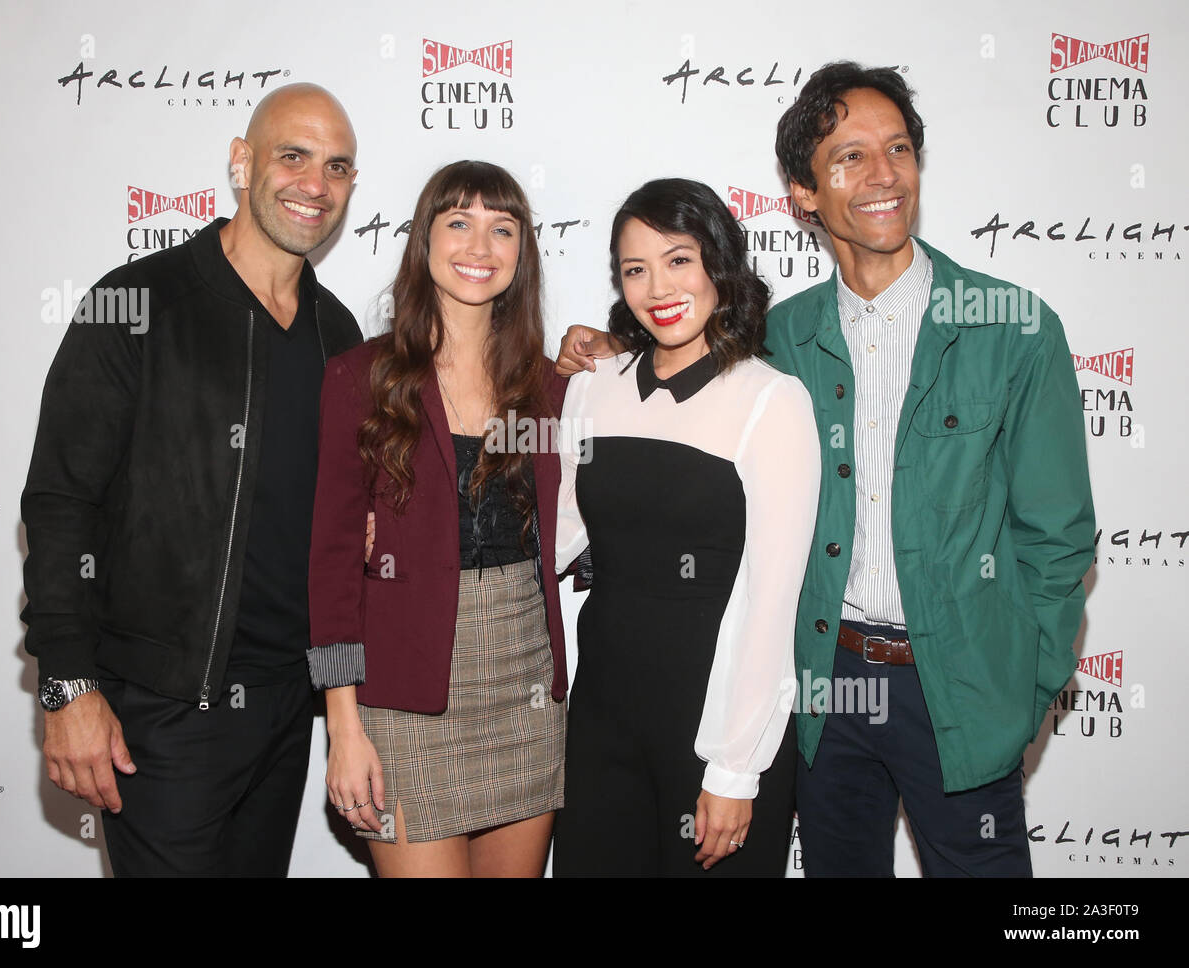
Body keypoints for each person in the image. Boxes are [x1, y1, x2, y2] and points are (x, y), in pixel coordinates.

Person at [558, 63, 1095, 877]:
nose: (883, 175)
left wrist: (1021, 692)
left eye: (899, 150)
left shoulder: (1013, 328)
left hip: (959, 684)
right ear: (803, 194)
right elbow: (679, 376)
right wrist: (606, 350)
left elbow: (1058, 541)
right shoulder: (776, 341)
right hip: (821, 686)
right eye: (849, 157)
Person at [21, 84, 363, 876]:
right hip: (163, 708)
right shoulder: (136, 302)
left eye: (338, 166)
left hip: (284, 706)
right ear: (241, 164)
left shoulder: (337, 335)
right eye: (293, 155)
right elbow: (61, 504)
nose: (315, 183)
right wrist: (66, 686)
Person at [308, 160, 568, 878]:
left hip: (524, 694)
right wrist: (343, 725)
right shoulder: (361, 379)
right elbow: (331, 564)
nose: (479, 246)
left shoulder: (550, 389)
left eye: (501, 228)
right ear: (424, 241)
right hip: (401, 702)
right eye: (459, 222)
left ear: (522, 254)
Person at [552, 179, 819, 876]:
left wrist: (734, 769)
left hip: (715, 724)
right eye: (634, 269)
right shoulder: (592, 387)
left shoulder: (772, 399)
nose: (657, 286)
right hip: (600, 720)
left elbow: (770, 601)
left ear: (719, 265)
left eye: (679, 260)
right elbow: (551, 540)